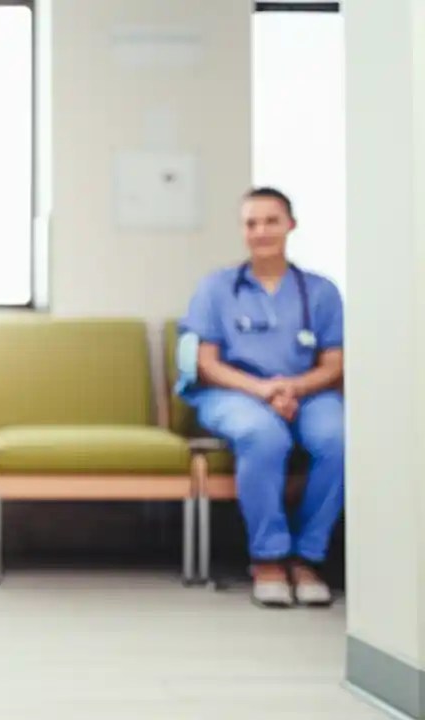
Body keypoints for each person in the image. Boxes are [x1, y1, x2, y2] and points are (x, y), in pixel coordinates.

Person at [176, 187, 345, 609]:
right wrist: (264, 390)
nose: (261, 231)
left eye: (271, 221)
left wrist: (292, 388)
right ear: (243, 231)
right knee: (264, 436)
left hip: (306, 391)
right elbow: (206, 363)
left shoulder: (321, 292)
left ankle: (307, 557)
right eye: (251, 223)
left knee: (339, 438)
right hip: (233, 391)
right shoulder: (216, 288)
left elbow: (335, 362)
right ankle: (268, 558)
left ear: (291, 225)